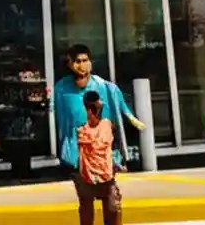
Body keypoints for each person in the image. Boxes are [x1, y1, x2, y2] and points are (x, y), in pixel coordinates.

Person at [53, 44, 145, 225]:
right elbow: (58, 118)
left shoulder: (105, 87)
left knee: (111, 202)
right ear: (70, 64)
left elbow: (121, 110)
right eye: (77, 61)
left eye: (85, 60)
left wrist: (131, 121)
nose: (82, 65)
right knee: (86, 202)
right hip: (78, 155)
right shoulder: (61, 89)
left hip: (104, 154)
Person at [75, 90, 122, 225]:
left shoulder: (104, 125)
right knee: (90, 212)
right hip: (90, 177)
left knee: (111, 210)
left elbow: (115, 145)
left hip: (103, 177)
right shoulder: (83, 129)